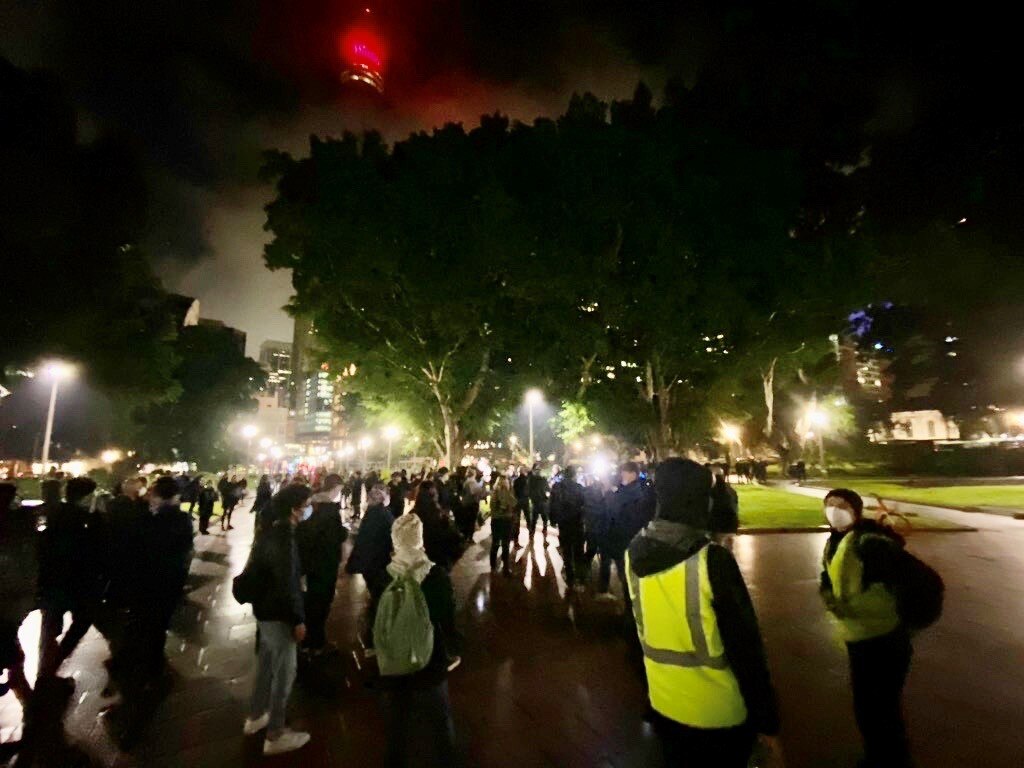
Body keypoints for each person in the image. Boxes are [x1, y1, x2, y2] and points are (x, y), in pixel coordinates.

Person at [625, 458, 781, 767]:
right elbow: (746, 647)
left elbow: (634, 633)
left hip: (664, 703)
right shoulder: (712, 560)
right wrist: (767, 720)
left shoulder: (634, 552)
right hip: (719, 712)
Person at [820, 488, 914, 768]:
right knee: (867, 708)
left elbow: (916, 583)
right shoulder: (836, 541)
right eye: (829, 504)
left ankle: (895, 761)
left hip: (885, 641)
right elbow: (828, 578)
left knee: (882, 709)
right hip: (859, 639)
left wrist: (910, 622)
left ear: (856, 511)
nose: (834, 510)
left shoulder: (870, 543)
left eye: (842, 505)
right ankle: (878, 757)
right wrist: (831, 598)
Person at [377, 513, 460, 768]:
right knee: (440, 720)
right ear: (420, 539)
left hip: (395, 661)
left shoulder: (384, 576)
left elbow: (378, 617)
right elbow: (446, 616)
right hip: (430, 657)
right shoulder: (435, 575)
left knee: (397, 724)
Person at [244, 484, 312, 755]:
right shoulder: (285, 538)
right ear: (296, 509)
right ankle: (275, 733)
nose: (309, 510)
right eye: (306, 505)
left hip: (265, 610)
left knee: (266, 664)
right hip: (279, 613)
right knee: (285, 672)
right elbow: (288, 584)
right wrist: (297, 620)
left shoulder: (269, 530)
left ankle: (256, 716)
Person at [37, 476, 104, 676]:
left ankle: (47, 665)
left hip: (54, 580)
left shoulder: (56, 514)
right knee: (82, 620)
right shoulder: (88, 520)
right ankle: (55, 661)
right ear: (86, 496)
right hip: (79, 581)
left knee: (50, 625)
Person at [130, 476, 194, 683]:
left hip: (146, 578)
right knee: (160, 623)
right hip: (170, 579)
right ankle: (154, 664)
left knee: (145, 621)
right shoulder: (182, 519)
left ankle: (145, 664)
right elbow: (187, 552)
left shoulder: (146, 519)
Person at [298, 474, 348, 654]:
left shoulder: (311, 505)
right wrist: (343, 532)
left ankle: (306, 641)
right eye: (339, 490)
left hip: (309, 562)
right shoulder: (329, 510)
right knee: (322, 602)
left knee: (310, 600)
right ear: (335, 488)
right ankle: (317, 643)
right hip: (325, 562)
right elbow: (335, 536)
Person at [345, 484, 394, 653]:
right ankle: (374, 639)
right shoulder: (381, 514)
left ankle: (373, 636)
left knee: (377, 597)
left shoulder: (373, 513)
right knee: (379, 599)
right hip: (379, 563)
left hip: (372, 564)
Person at [0, 483, 37, 706]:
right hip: (11, 594)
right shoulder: (20, 522)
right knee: (10, 645)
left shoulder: (17, 522)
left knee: (10, 643)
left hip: (11, 593)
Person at [599, 461, 657, 601]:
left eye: (624, 472)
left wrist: (607, 492)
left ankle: (631, 610)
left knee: (626, 576)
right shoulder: (638, 489)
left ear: (632, 474)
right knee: (626, 574)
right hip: (628, 536)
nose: (621, 475)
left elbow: (614, 509)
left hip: (624, 538)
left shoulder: (631, 491)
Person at [412, 483, 465, 571]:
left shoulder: (414, 513)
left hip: (422, 553)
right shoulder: (436, 512)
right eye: (436, 493)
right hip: (438, 552)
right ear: (432, 495)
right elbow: (445, 532)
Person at [549, 466, 586, 590]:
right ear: (575, 475)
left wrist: (553, 520)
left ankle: (570, 577)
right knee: (578, 552)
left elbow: (552, 505)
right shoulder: (579, 488)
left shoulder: (556, 487)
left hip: (563, 523)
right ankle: (580, 579)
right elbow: (584, 506)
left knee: (566, 550)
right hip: (577, 523)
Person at [488, 474, 518, 576]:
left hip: (503, 521)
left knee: (502, 544)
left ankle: (502, 567)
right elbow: (494, 508)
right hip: (500, 521)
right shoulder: (496, 493)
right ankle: (498, 567)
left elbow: (514, 503)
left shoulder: (506, 493)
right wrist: (503, 507)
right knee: (498, 544)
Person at [456, 468, 485, 541]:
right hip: (471, 504)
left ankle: (466, 536)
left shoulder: (467, 482)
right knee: (471, 521)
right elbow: (475, 492)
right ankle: (469, 537)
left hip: (466, 503)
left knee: (467, 520)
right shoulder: (471, 482)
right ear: (474, 474)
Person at [527, 464, 549, 537]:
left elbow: (547, 489)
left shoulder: (543, 479)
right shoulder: (532, 479)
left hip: (541, 501)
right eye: (537, 469)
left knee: (543, 518)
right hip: (537, 502)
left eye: (539, 469)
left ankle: (543, 531)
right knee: (535, 519)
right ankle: (532, 532)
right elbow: (529, 490)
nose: (538, 471)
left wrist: (546, 497)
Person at [512, 466, 531, 547]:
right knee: (528, 519)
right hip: (525, 501)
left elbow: (513, 491)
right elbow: (528, 491)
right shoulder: (527, 480)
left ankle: (516, 540)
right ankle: (531, 535)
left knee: (517, 521)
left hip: (517, 502)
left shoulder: (515, 481)